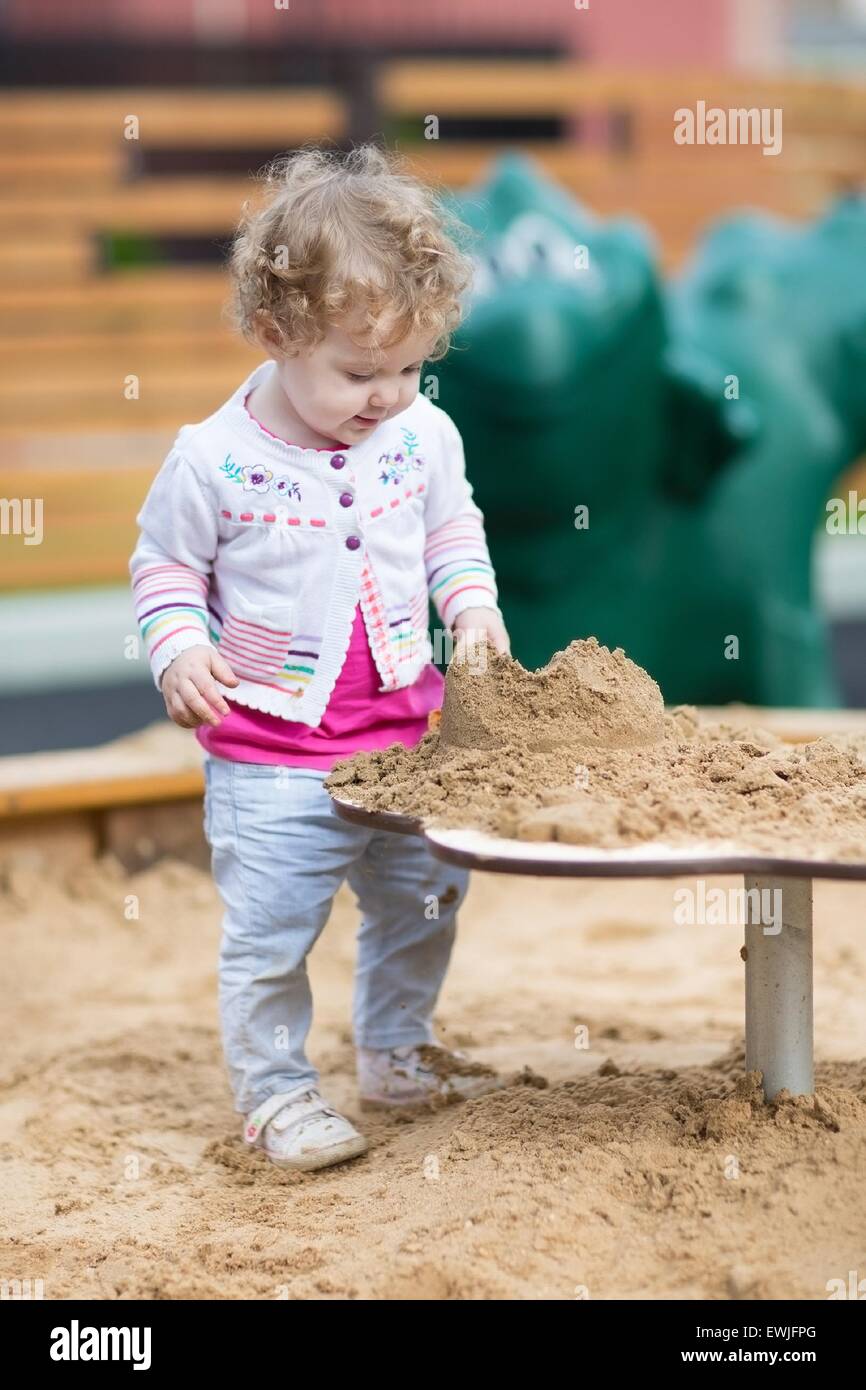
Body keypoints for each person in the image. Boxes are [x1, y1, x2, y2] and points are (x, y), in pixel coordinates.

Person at [128, 143, 510, 1172]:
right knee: (272, 930)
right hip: (269, 753)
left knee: (427, 896)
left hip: (402, 740)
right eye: (356, 372)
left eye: (407, 367)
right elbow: (163, 565)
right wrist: (178, 650)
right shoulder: (212, 458)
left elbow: (449, 533)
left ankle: (392, 1048)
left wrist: (468, 608)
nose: (387, 394)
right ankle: (276, 1094)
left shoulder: (421, 434)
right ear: (274, 332)